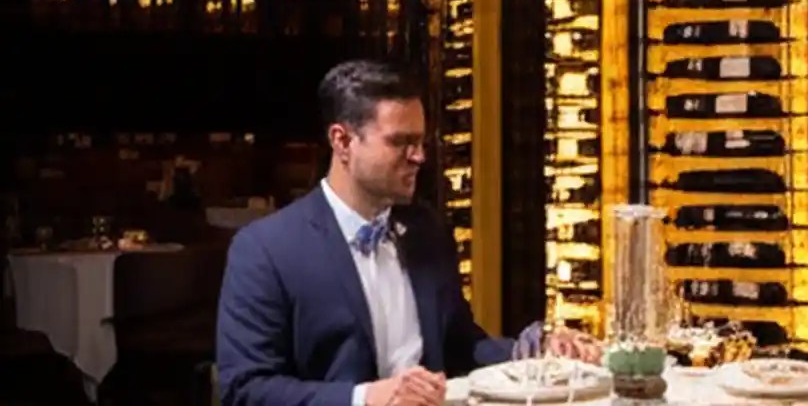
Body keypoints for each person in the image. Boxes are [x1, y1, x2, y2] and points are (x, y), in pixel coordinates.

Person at [217, 60, 601, 406]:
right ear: (342, 141)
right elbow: (246, 388)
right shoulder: (265, 250)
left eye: (419, 142)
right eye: (401, 142)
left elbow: (461, 346)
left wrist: (535, 353)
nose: (419, 157)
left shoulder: (425, 230)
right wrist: (366, 398)